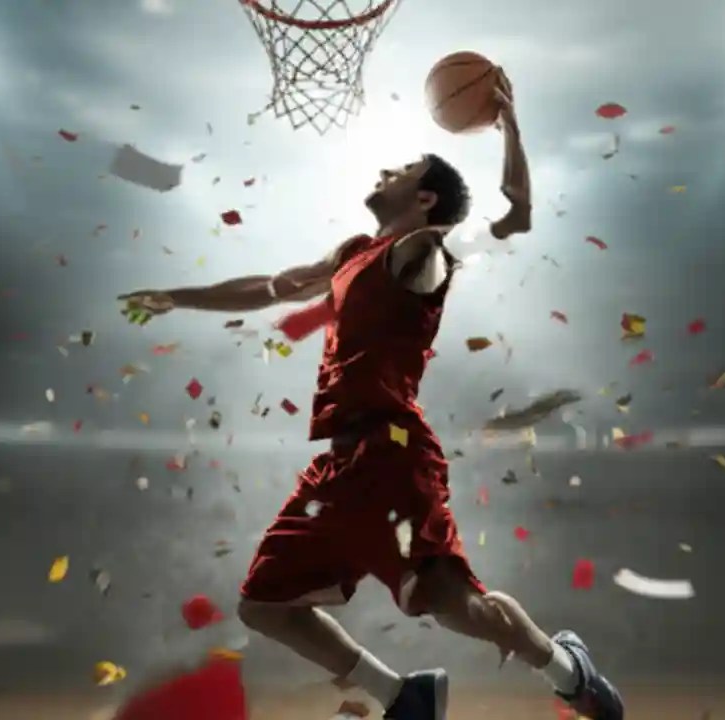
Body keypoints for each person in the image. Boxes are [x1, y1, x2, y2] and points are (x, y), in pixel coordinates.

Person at [117, 71, 624, 720]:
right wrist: (176, 298)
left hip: (391, 450)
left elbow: (517, 216)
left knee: (452, 606)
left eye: (403, 167)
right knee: (265, 604)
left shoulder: (423, 253)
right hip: (341, 460)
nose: (387, 170)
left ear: (426, 197)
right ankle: (403, 696)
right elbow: (275, 287)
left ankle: (569, 671)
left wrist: (511, 127)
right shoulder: (355, 252)